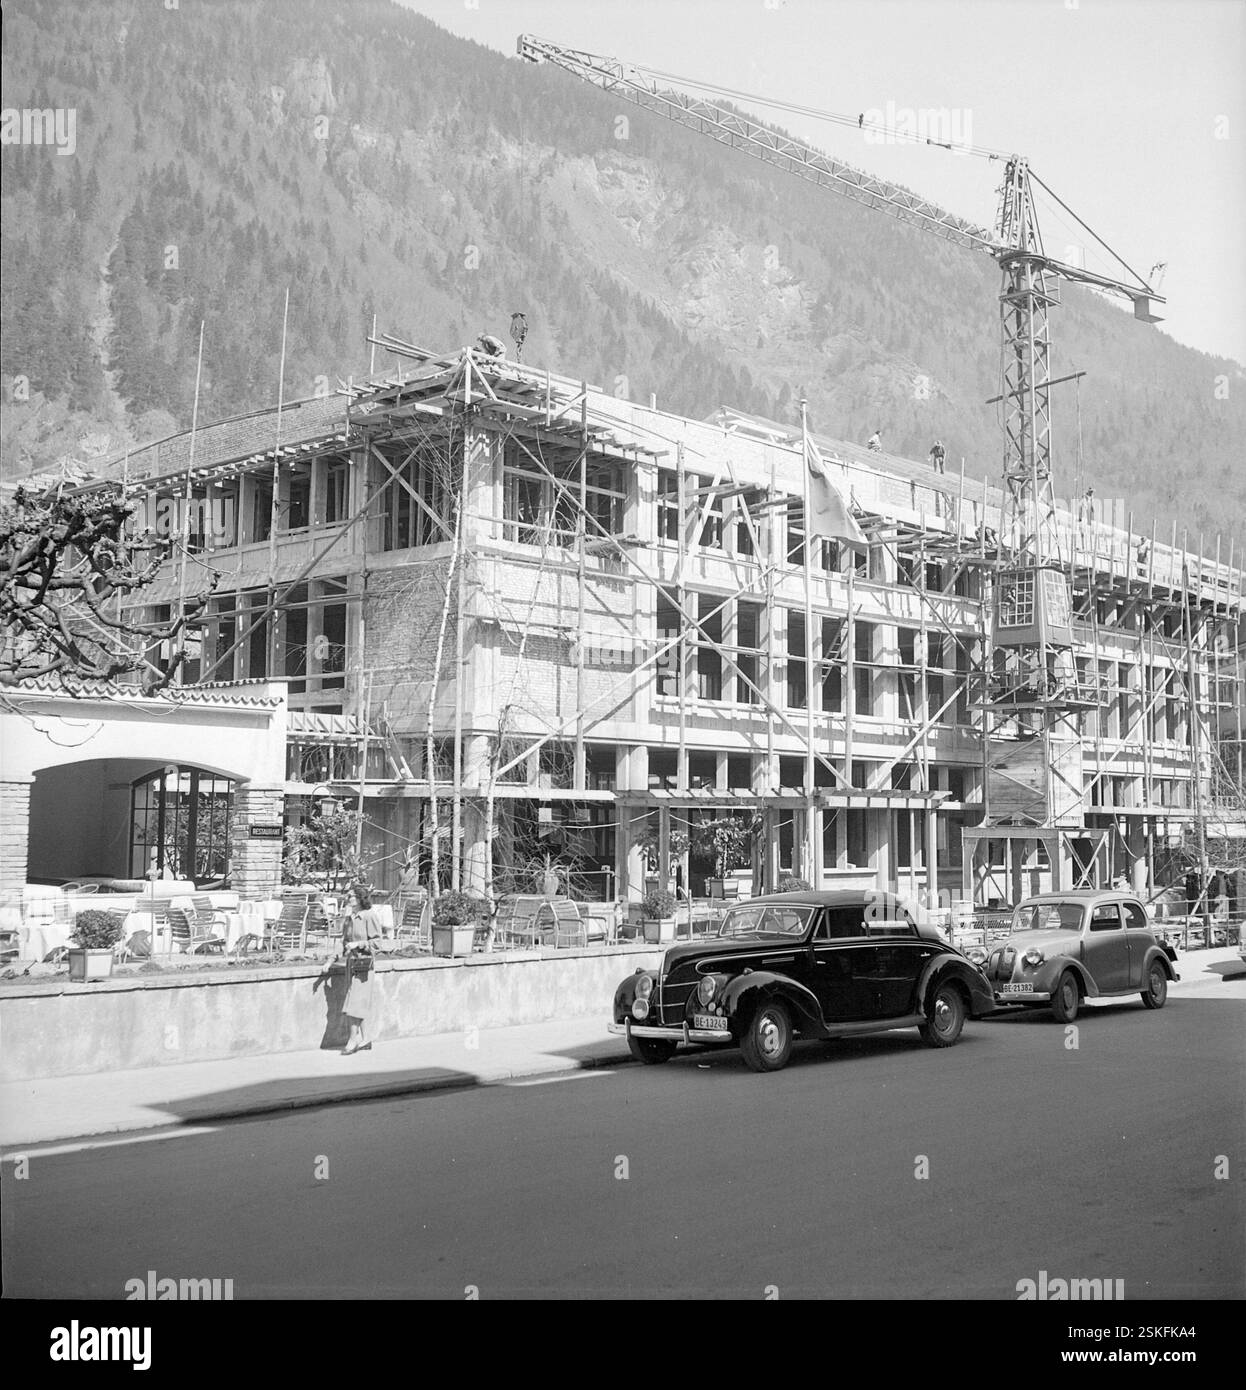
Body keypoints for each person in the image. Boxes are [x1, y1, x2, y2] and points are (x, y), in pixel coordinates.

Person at [339, 882, 384, 1054]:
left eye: (351, 896)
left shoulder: (369, 916)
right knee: (357, 1002)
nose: (348, 898)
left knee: (354, 1004)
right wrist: (331, 959)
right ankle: (366, 1039)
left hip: (364, 966)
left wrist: (359, 944)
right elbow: (343, 941)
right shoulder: (351, 916)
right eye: (348, 895)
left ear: (359, 898)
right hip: (352, 964)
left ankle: (352, 1040)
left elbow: (377, 943)